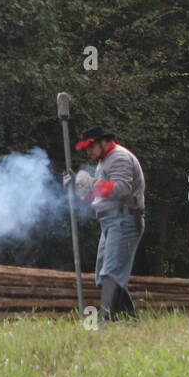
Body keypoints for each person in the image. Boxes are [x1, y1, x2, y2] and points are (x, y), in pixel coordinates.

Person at [69, 126, 146, 320]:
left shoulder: (119, 157)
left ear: (103, 142)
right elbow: (96, 197)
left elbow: (121, 189)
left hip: (124, 219)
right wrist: (76, 187)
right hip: (110, 221)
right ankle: (129, 319)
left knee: (110, 274)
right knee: (104, 277)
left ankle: (103, 322)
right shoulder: (103, 162)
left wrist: (91, 183)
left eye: (91, 147)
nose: (89, 152)